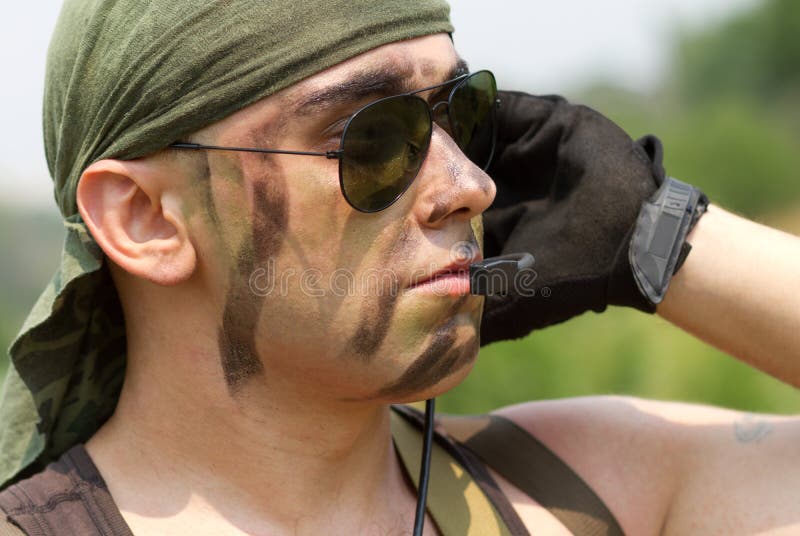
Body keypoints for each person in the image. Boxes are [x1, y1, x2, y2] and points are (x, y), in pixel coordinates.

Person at [1, 1, 798, 534]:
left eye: (463, 117)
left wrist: (657, 237)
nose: (472, 186)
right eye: (373, 139)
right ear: (146, 220)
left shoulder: (574, 490)